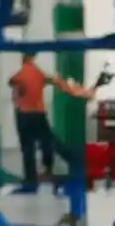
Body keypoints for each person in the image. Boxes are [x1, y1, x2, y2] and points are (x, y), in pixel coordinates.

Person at [8, 52, 96, 189]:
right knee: (49, 140)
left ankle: (31, 182)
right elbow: (57, 81)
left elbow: (12, 82)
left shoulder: (20, 74)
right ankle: (72, 160)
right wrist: (81, 92)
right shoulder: (38, 73)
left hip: (24, 115)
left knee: (28, 148)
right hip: (38, 114)